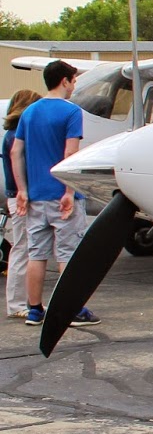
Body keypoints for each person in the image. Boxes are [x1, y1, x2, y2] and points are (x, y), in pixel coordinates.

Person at [10, 61, 98, 327]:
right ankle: (73, 309)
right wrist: (70, 190)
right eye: (73, 80)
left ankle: (34, 309)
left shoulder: (29, 112)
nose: (74, 86)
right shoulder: (72, 112)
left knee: (36, 254)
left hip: (35, 196)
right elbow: (70, 153)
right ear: (64, 81)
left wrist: (23, 190)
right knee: (68, 254)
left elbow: (16, 152)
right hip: (62, 197)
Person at [3, 90, 43, 318]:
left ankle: (22, 301)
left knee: (25, 247)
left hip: (16, 195)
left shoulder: (11, 133)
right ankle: (18, 303)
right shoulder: (18, 135)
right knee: (24, 248)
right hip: (21, 197)